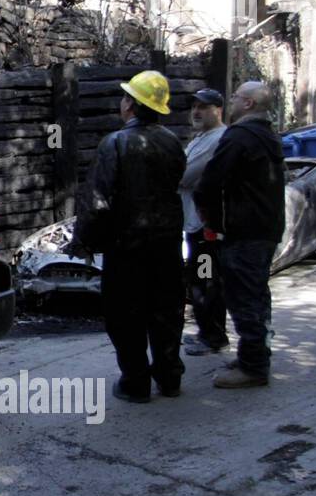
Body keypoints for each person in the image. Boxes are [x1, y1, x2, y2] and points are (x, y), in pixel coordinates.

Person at [73, 70, 187, 403]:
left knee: (126, 316)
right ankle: (169, 378)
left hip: (127, 249)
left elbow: (97, 200)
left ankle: (136, 382)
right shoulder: (171, 141)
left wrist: (86, 241)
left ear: (131, 106)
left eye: (125, 98)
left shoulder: (115, 144)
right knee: (167, 312)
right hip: (166, 246)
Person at [193, 81, 286, 388]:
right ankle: (254, 354)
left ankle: (253, 367)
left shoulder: (239, 136)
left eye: (234, 97)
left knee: (244, 298)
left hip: (243, 231)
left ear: (247, 104)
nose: (229, 101)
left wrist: (213, 224)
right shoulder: (269, 136)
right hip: (266, 228)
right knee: (257, 295)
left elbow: (209, 183)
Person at [179, 88, 228, 355]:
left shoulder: (218, 139)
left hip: (205, 226)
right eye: (194, 106)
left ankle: (213, 336)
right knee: (200, 279)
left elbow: (184, 176)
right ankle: (207, 332)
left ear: (217, 110)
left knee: (206, 280)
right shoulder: (202, 137)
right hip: (195, 223)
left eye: (203, 107)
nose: (196, 112)